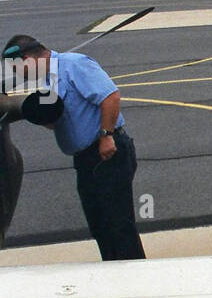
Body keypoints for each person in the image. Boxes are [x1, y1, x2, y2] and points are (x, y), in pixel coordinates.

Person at [1, 34, 145, 261]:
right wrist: (38, 115)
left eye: (19, 70)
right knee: (100, 225)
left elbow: (110, 96)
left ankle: (134, 276)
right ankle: (114, 272)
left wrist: (106, 136)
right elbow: (58, 119)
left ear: (27, 59)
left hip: (106, 154)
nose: (20, 76)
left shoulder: (74, 64)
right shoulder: (49, 78)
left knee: (118, 224)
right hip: (85, 160)